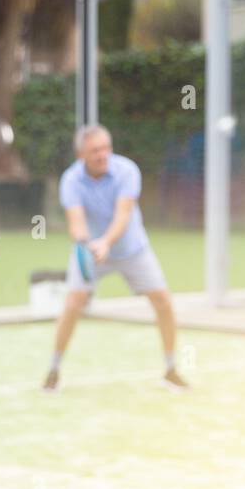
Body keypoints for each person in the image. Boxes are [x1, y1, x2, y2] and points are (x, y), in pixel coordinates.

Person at [43, 124, 190, 392]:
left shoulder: (127, 170)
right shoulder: (71, 180)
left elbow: (124, 214)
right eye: (95, 151)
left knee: (163, 301)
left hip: (133, 249)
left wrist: (106, 243)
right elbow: (76, 222)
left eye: (105, 148)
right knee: (73, 303)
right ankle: (54, 370)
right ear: (81, 156)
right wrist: (87, 245)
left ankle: (170, 369)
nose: (102, 155)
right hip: (91, 251)